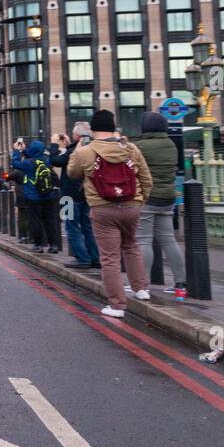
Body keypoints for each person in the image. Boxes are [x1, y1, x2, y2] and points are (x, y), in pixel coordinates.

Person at [67, 109, 153, 319]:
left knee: (110, 258)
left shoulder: (85, 152)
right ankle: (141, 289)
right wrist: (140, 201)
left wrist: (77, 149)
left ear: (93, 129)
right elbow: (146, 178)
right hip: (132, 206)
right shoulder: (131, 148)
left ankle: (116, 306)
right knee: (131, 245)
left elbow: (72, 173)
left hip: (103, 209)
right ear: (113, 126)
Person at [134, 111, 186, 294]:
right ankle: (180, 283)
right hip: (168, 198)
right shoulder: (171, 144)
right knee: (169, 240)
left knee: (144, 241)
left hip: (147, 198)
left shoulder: (139, 146)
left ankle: (142, 285)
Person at [48, 124, 101, 270]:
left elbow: (54, 161)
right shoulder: (93, 149)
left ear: (77, 136)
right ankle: (95, 257)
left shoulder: (73, 151)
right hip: (87, 195)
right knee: (87, 227)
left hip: (68, 196)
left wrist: (54, 143)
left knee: (71, 226)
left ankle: (82, 258)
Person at [11, 138, 60, 253]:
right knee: (50, 221)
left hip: (33, 196)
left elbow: (15, 163)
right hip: (48, 195)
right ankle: (53, 245)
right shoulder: (47, 160)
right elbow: (35, 154)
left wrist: (17, 151)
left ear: (32, 150)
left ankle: (38, 245)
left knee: (35, 221)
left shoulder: (28, 163)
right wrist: (24, 150)